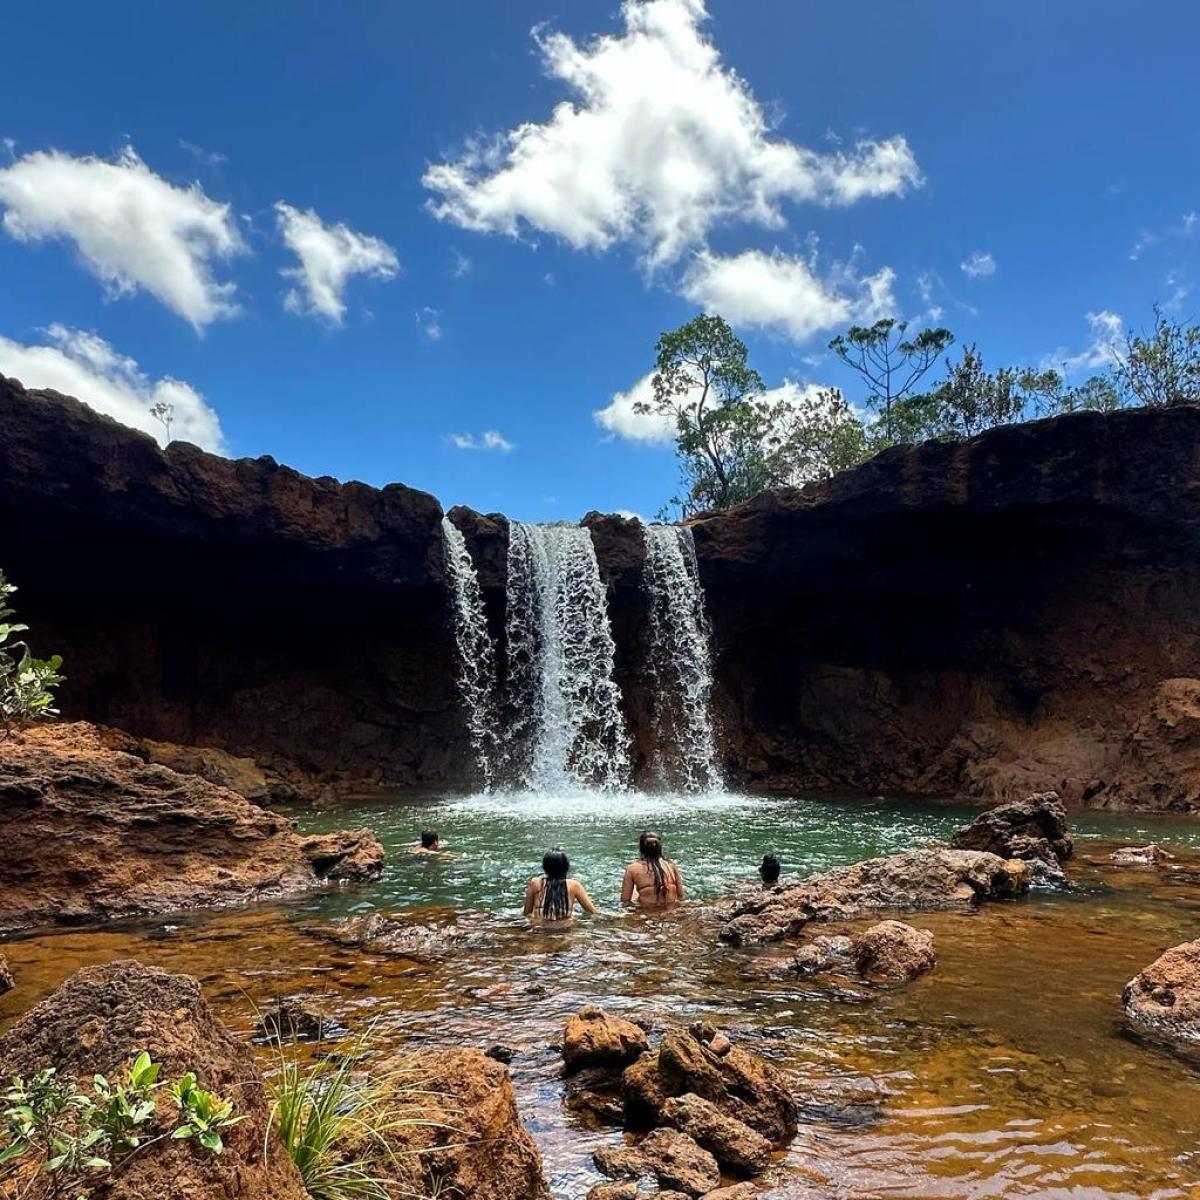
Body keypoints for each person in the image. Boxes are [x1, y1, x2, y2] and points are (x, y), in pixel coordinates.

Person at [524, 849, 597, 923]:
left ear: (545, 867)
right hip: (565, 929)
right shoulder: (574, 885)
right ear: (566, 867)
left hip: (540, 928)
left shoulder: (535, 883)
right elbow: (592, 911)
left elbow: (527, 913)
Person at [621, 831, 684, 909]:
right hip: (671, 911)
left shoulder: (632, 868)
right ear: (659, 848)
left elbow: (625, 901)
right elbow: (681, 895)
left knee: (635, 894)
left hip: (647, 913)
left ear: (642, 848)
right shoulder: (671, 865)